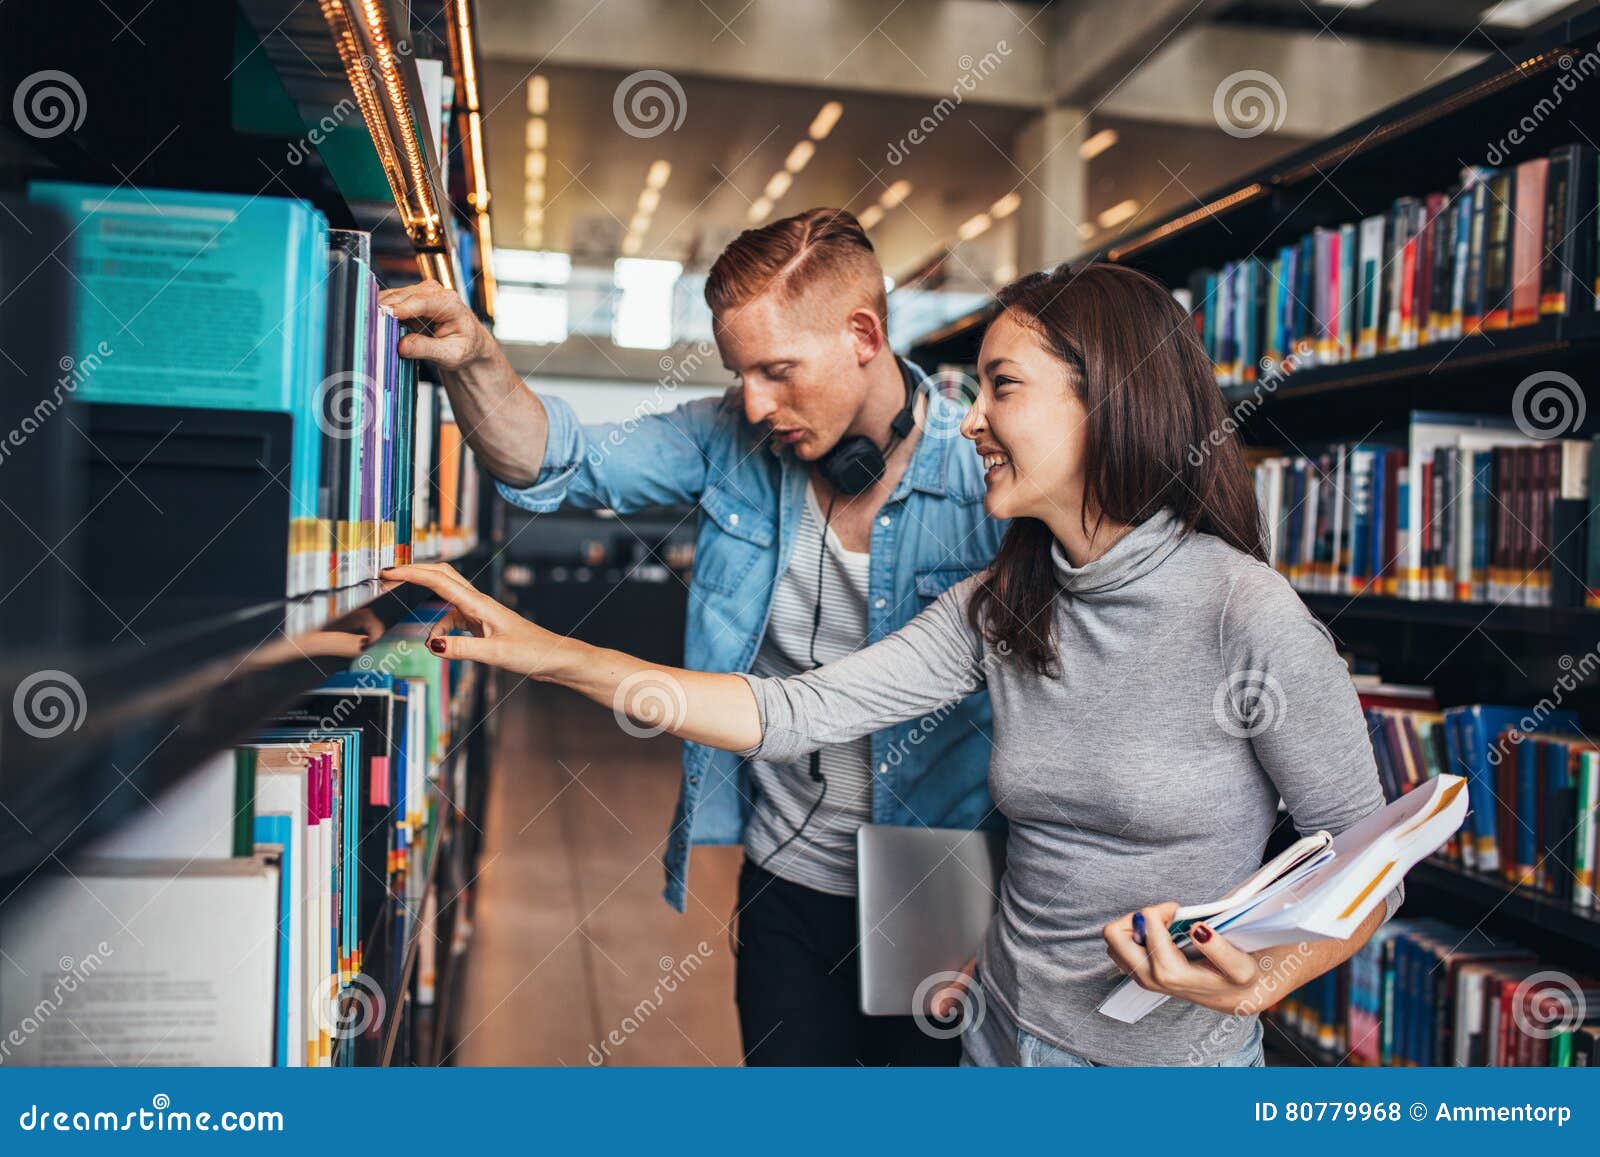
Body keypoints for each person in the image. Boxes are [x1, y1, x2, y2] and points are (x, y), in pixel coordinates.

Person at [384, 261, 1404, 1067]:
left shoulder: (1245, 613)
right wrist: (547, 652)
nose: (973, 418)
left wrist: (1269, 978)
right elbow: (791, 710)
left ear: (1109, 401)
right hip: (994, 1042)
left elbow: (1368, 861)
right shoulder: (1005, 600)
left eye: (1003, 386)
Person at [379, 208, 1005, 1066]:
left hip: (941, 890)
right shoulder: (729, 439)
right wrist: (480, 362)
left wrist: (1019, 917)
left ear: (864, 333)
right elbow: (551, 461)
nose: (754, 401)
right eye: (739, 372)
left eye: (778, 370)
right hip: (785, 874)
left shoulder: (987, 479)